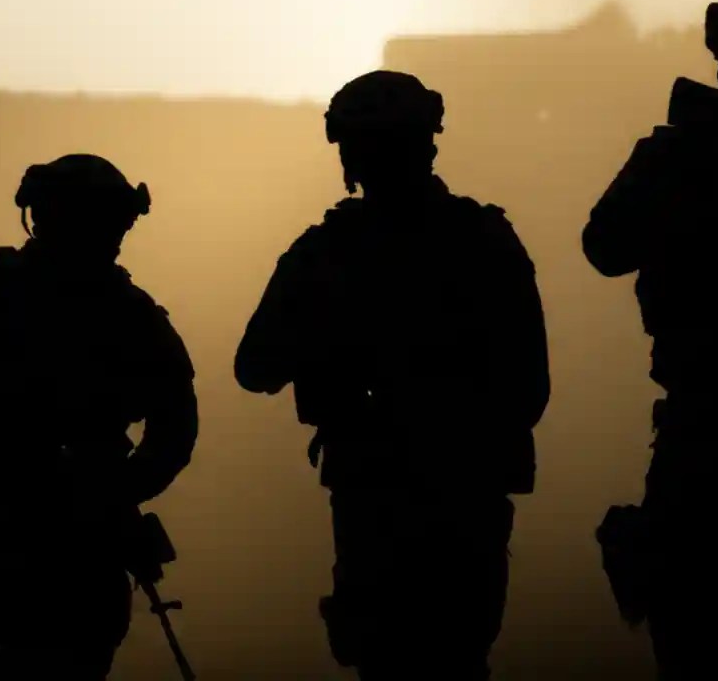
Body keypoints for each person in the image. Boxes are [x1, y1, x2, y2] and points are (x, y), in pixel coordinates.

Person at [234, 71, 550, 680]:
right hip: (453, 496)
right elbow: (528, 388)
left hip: (386, 495)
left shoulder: (328, 251)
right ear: (428, 142)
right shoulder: (482, 239)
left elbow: (257, 367)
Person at [0, 154, 199, 680]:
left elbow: (175, 427)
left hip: (48, 536)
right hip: (16, 530)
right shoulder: (121, 310)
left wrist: (111, 492)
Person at [584, 0, 718, 680]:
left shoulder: (680, 157)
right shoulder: (687, 155)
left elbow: (605, 245)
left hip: (704, 446)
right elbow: (605, 246)